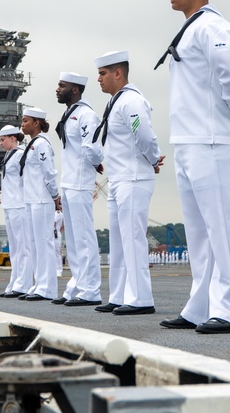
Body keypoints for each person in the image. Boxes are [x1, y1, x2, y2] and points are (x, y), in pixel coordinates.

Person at [155, 0, 230, 334]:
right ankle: (201, 305)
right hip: (187, 140)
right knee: (198, 233)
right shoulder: (192, 28)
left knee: (221, 229)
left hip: (209, 141)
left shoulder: (212, 26)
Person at [93, 50, 163, 316]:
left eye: (102, 74)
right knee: (119, 242)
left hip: (134, 178)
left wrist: (154, 160)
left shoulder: (130, 101)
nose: (99, 79)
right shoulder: (115, 102)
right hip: (120, 179)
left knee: (133, 239)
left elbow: (144, 135)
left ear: (117, 73)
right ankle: (120, 294)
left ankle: (141, 299)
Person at [53, 71, 105, 306]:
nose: (57, 89)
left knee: (84, 238)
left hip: (81, 182)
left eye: (62, 85)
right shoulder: (69, 113)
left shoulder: (85, 115)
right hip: (69, 181)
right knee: (72, 241)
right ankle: (76, 287)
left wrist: (96, 162)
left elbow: (91, 147)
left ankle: (91, 290)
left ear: (75, 89)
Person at [19, 107, 62, 301]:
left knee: (44, 243)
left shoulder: (42, 144)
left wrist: (54, 196)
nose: (23, 124)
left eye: (26, 120)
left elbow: (49, 172)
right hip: (31, 199)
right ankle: (39, 284)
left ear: (36, 122)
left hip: (42, 199)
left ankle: (47, 288)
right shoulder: (32, 144)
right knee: (34, 243)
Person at [0, 124, 32, 298]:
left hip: (19, 205)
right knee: (15, 249)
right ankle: (15, 282)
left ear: (13, 139)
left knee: (23, 247)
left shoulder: (20, 155)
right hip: (10, 205)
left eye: (3, 140)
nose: (0, 143)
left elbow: (27, 180)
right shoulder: (8, 156)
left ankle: (23, 285)